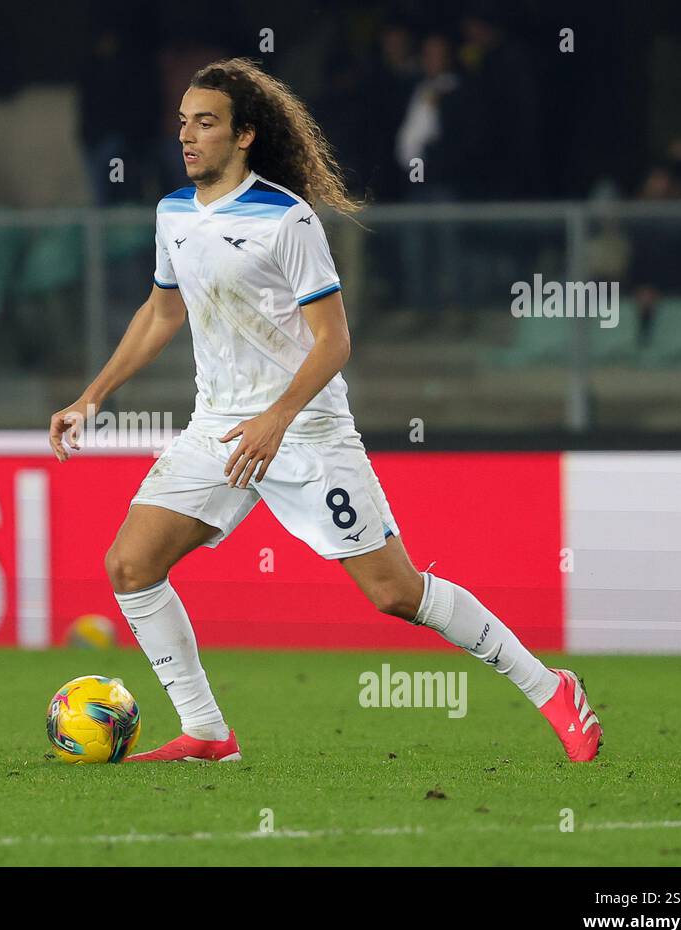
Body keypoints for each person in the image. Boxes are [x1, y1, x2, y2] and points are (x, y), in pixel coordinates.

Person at [48, 58, 601, 763]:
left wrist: (277, 417)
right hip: (217, 428)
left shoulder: (287, 219)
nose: (186, 135)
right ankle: (207, 733)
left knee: (395, 593)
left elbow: (334, 340)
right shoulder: (173, 213)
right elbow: (161, 313)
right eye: (183, 122)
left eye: (206, 123)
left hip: (304, 430)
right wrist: (92, 396)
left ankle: (551, 686)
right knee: (130, 565)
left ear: (245, 134)